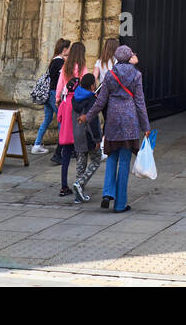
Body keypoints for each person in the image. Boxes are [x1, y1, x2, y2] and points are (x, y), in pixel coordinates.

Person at [83, 44, 151, 213]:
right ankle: (120, 204)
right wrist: (146, 126)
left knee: (112, 155)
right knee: (125, 161)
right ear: (129, 57)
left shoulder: (110, 75)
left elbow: (100, 101)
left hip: (113, 119)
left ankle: (107, 193)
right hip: (129, 120)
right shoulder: (136, 75)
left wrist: (88, 117)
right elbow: (140, 102)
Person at [55, 40, 87, 183]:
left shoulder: (66, 67)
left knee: (66, 147)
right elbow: (86, 87)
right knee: (80, 146)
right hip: (78, 107)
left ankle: (63, 184)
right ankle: (79, 183)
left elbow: (60, 86)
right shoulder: (82, 69)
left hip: (66, 104)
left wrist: (58, 100)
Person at [32, 38, 69, 154]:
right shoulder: (59, 62)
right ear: (64, 49)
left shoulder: (55, 60)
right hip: (53, 93)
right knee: (61, 119)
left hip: (48, 93)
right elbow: (58, 78)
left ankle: (37, 144)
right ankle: (61, 147)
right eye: (69, 48)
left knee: (47, 119)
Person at [70, 73, 103, 203]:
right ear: (91, 86)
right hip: (88, 134)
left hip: (77, 134)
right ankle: (80, 183)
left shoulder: (75, 97)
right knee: (96, 160)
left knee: (81, 163)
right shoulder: (91, 100)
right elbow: (93, 121)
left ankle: (78, 195)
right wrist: (97, 139)